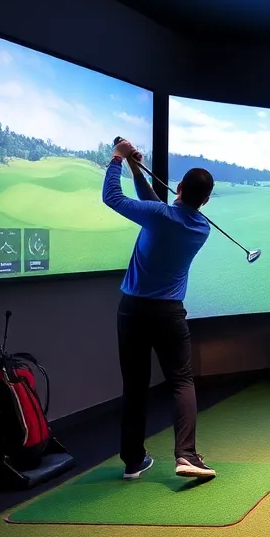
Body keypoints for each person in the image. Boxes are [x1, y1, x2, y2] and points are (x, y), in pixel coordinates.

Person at [102, 139, 217, 480]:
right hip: (169, 313)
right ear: (206, 200)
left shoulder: (160, 216)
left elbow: (114, 198)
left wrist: (118, 159)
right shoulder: (201, 227)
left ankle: (133, 461)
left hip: (133, 311)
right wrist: (138, 168)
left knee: (134, 384)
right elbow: (155, 206)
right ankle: (187, 456)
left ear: (178, 187)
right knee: (181, 381)